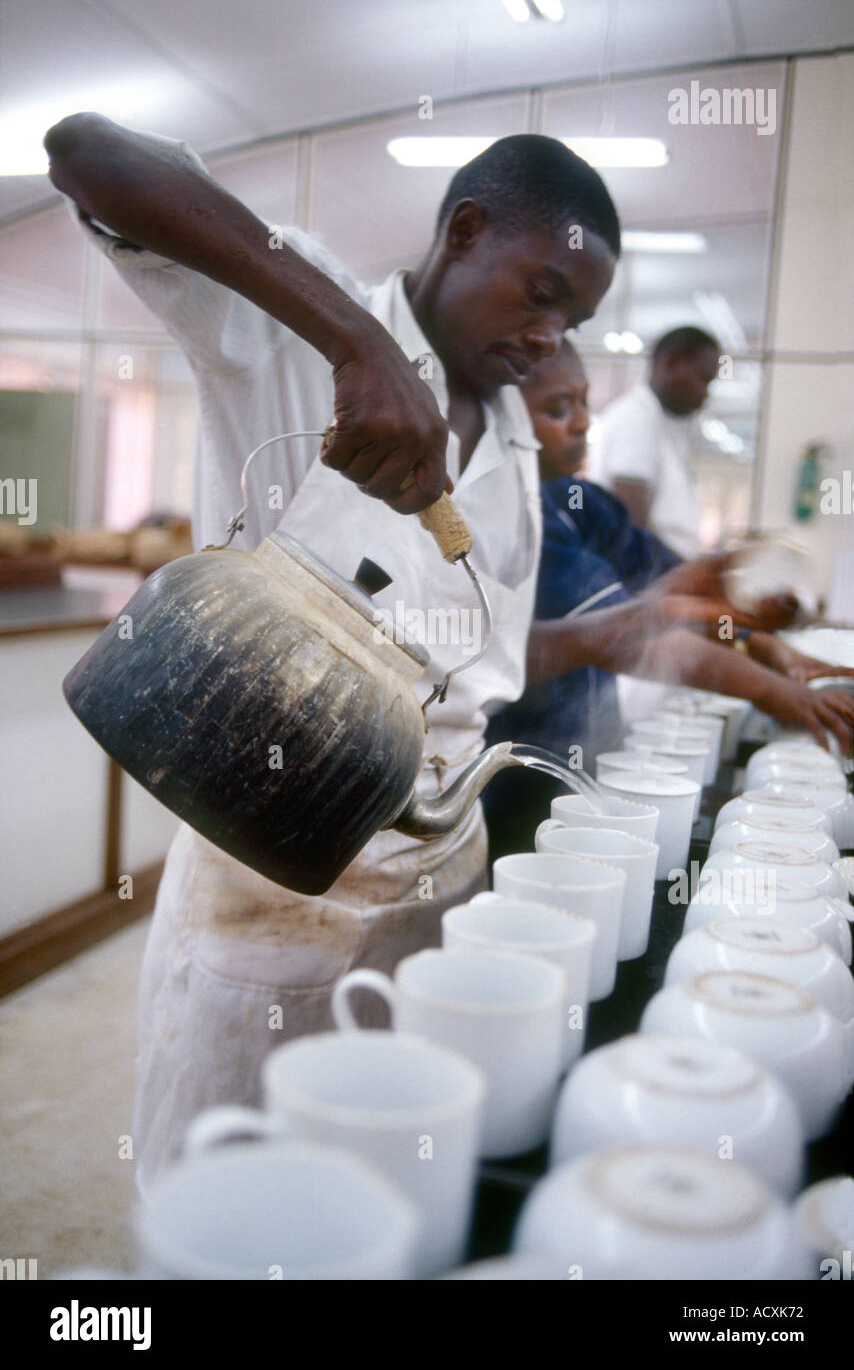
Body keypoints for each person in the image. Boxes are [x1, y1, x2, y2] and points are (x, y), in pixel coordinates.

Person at [45, 123, 622, 1189]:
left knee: (376, 1185)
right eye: (541, 293)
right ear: (462, 230)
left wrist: (609, 634)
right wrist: (356, 342)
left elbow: (469, 669)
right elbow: (86, 153)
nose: (550, 336)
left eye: (574, 320)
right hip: (275, 872)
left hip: (440, 863)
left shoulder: (513, 441)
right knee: (229, 1178)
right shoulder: (289, 334)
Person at [484, 340, 854, 859]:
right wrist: (777, 690)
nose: (584, 422)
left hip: (589, 749)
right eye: (557, 408)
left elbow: (679, 586)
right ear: (496, 421)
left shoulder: (585, 503)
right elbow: (634, 633)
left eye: (586, 403)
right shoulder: (519, 528)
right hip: (525, 765)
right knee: (532, 864)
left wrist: (760, 638)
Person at [586, 325, 720, 557]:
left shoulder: (662, 423)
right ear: (671, 362)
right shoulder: (636, 420)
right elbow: (631, 526)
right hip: (649, 580)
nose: (705, 394)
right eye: (703, 380)